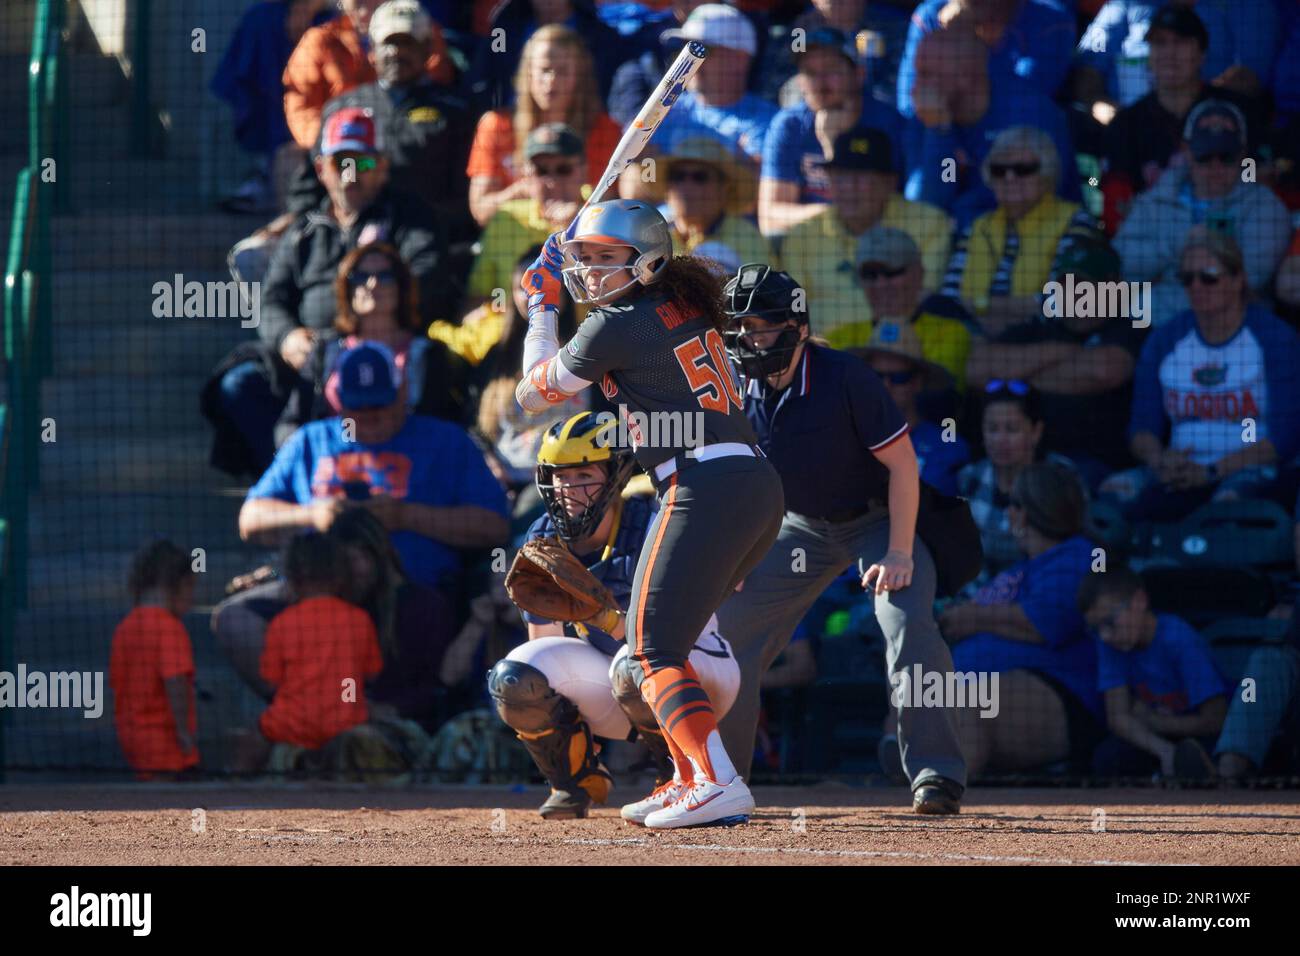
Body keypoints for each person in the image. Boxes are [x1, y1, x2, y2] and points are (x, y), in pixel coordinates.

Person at [515, 200, 785, 828]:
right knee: (665, 642)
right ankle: (691, 775)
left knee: (648, 648)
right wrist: (565, 279)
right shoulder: (680, 305)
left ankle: (716, 781)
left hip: (702, 482)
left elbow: (533, 394)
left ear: (651, 260)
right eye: (584, 256)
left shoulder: (615, 322)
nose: (591, 269)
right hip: (749, 482)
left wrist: (542, 304)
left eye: (608, 258)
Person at [712, 264, 969, 814]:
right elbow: (740, 479)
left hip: (877, 520)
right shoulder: (736, 385)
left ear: (798, 328)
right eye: (740, 327)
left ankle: (936, 776)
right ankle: (722, 784)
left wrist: (900, 552)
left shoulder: (846, 377)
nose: (749, 339)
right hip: (793, 525)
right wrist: (734, 557)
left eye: (763, 326)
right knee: (727, 634)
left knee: (907, 622)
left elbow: (904, 466)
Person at [488, 413, 743, 819]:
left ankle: (678, 776)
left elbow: (661, 640)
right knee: (515, 677)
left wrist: (602, 616)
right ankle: (574, 780)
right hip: (616, 680)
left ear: (614, 476)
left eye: (583, 475)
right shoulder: (541, 537)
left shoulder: (656, 522)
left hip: (697, 668)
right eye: (560, 476)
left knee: (633, 662)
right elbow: (543, 647)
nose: (569, 489)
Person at [214, 107, 451, 473]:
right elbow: (272, 299)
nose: (351, 174)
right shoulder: (304, 230)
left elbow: (428, 274)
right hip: (308, 359)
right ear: (322, 169)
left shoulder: (408, 216)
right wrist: (288, 337)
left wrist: (358, 325)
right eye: (341, 163)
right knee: (239, 385)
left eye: (363, 163)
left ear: (383, 167)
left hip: (382, 352)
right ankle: (290, 480)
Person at [237, 342, 509, 595]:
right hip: (316, 596)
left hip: (413, 595)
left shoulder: (446, 441)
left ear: (403, 391)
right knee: (237, 619)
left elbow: (495, 526)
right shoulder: (310, 440)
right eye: (359, 406)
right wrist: (314, 515)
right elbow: (250, 520)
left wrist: (406, 516)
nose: (369, 416)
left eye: (380, 404)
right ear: (339, 400)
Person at [1102, 232, 1300, 523]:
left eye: (1209, 277)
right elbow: (1142, 428)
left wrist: (1212, 471)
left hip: (1249, 467)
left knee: (1226, 509)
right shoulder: (1164, 340)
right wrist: (1159, 461)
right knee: (1111, 496)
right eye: (1187, 278)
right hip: (1180, 467)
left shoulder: (1274, 339)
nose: (1197, 286)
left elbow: (1285, 439)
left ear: (1237, 280)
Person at [943, 461, 1104, 776]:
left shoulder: (1078, 554)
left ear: (1030, 510)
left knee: (968, 697)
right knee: (921, 689)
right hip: (989, 692)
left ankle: (942, 786)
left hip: (1059, 690)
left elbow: (1046, 623)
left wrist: (973, 618)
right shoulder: (1019, 569)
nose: (1008, 513)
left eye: (1013, 504)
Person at [966, 235, 1144, 486]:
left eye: (1084, 288)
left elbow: (1105, 371)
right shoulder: (1043, 327)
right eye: (1065, 286)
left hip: (1098, 466)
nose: (1073, 297)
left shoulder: (1130, 326)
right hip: (1027, 457)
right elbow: (976, 369)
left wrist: (1018, 374)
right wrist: (1067, 352)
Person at [299, 0, 476, 240]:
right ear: (372, 50)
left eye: (406, 43)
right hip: (346, 237)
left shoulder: (456, 111)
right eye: (388, 43)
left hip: (428, 237)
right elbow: (308, 187)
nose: (396, 53)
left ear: (427, 49)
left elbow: (463, 197)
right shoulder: (341, 107)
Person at [1114, 99, 1292, 324]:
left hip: (1233, 328)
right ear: (1186, 151)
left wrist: (1160, 277)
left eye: (1226, 157)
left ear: (1242, 154)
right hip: (1150, 328)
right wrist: (1178, 244)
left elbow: (1247, 282)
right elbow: (1120, 268)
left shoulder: (1265, 206)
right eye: (1205, 156)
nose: (1215, 167)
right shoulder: (1156, 199)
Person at [1096, 5, 1260, 235]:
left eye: (1181, 42)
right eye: (1160, 43)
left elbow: (1252, 174)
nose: (1169, 53)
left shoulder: (1236, 111)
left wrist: (1243, 182)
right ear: (1150, 55)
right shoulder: (1126, 125)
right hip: (1153, 244)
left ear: (1202, 54)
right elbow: (1116, 208)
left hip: (1231, 236)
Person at [778, 126, 951, 341]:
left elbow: (922, 297)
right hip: (825, 354)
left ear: (890, 183)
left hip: (901, 350)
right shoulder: (802, 236)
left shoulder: (929, 224)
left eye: (862, 178)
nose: (850, 188)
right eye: (841, 177)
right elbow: (795, 310)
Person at [233, 532, 383, 772]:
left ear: (292, 577)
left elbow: (271, 682)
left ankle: (235, 782)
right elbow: (371, 674)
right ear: (340, 575)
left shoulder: (282, 623)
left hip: (292, 723)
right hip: (347, 721)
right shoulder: (359, 619)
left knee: (249, 740)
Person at [904, 23, 1079, 227]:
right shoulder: (928, 116)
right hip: (963, 238)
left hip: (1043, 235)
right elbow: (926, 205)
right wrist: (940, 133)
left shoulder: (1030, 112)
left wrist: (957, 215)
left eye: (925, 74)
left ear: (967, 76)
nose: (915, 86)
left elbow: (1023, 202)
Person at [940, 125, 1100, 338]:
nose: (1009, 178)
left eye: (1023, 169)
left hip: (1042, 341)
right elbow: (948, 302)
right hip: (971, 340)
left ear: (1047, 175)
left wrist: (979, 305)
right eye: (999, 170)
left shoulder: (1075, 222)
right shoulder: (978, 227)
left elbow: (1060, 305)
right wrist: (1016, 307)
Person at [1078, 566, 1227, 778]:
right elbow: (1118, 717)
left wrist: (1157, 722)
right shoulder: (1111, 645)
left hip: (1200, 733)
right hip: (1158, 736)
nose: (1104, 636)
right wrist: (1165, 751)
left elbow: (1216, 720)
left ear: (1139, 601)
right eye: (1096, 629)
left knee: (1208, 752)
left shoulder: (1179, 639)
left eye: (1110, 623)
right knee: (1107, 758)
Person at [466, 25, 620, 228]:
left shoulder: (604, 129)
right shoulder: (495, 125)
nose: (552, 80)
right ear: (528, 74)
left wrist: (580, 212)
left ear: (579, 77)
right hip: (515, 240)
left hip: (583, 239)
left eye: (563, 71)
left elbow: (611, 207)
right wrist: (523, 192)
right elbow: (480, 211)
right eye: (544, 70)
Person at [759, 25, 904, 236]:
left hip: (877, 243)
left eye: (831, 70)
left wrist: (832, 144)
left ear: (859, 75)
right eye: (810, 72)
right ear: (799, 81)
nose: (820, 82)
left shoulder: (888, 123)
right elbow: (770, 218)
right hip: (809, 245)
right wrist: (833, 217)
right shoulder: (789, 125)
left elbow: (900, 210)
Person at [312, 242, 471, 425]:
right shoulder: (324, 352)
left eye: (385, 276)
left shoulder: (429, 355)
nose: (372, 284)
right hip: (333, 452)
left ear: (401, 287)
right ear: (347, 289)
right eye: (361, 277)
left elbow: (443, 426)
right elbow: (292, 421)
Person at [283, 0, 455, 152]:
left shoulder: (421, 30)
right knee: (295, 160)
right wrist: (332, 143)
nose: (396, 52)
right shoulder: (319, 41)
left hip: (413, 141)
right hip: (349, 151)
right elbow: (302, 110)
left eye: (404, 44)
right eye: (359, 1)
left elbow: (435, 84)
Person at [210, 0, 333, 213]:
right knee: (261, 22)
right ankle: (267, 168)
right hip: (285, 13)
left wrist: (311, 5)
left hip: (344, 12)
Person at [957, 381, 1077, 592]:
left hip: (1045, 592)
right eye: (992, 429)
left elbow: (1075, 552)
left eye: (1012, 429)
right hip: (977, 601)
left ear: (1036, 432)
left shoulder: (1063, 478)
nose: (1001, 440)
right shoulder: (968, 479)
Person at [826, 225, 975, 392]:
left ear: (919, 273)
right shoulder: (838, 338)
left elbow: (933, 400)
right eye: (870, 274)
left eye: (892, 272)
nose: (881, 284)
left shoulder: (952, 334)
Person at [465, 124, 590, 310]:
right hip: (518, 333)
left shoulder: (601, 212)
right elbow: (478, 296)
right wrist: (486, 314)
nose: (552, 181)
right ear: (526, 174)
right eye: (541, 171)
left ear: (583, 171)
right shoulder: (507, 218)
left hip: (591, 334)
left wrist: (577, 225)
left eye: (563, 169)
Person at [646, 4, 778, 167]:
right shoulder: (663, 110)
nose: (690, 62)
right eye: (686, 50)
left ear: (739, 59)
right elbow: (635, 179)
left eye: (701, 50)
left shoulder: (771, 122)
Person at [109, 540, 199, 779]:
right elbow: (175, 681)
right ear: (178, 584)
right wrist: (183, 730)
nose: (192, 598)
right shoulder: (169, 627)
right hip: (164, 737)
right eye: (191, 587)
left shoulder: (125, 627)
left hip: (131, 736)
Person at [855, 320, 969, 497]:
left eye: (899, 377)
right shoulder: (845, 439)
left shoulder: (948, 445)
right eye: (876, 376)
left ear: (918, 382)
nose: (886, 385)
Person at [647, 137, 769, 264]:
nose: (687, 185)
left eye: (700, 177)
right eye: (678, 176)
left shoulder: (746, 238)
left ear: (724, 189)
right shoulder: (653, 236)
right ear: (668, 187)